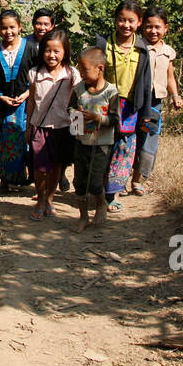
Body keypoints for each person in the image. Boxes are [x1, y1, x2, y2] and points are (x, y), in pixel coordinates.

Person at [95, 0, 151, 211]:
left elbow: (146, 83)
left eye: (131, 21)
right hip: (104, 106)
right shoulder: (104, 45)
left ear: (139, 22)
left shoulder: (142, 49)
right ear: (115, 20)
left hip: (130, 108)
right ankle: (98, 190)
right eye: (121, 20)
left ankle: (113, 193)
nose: (125, 25)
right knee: (103, 147)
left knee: (124, 148)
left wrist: (145, 113)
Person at [24, 29, 77, 221]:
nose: (52, 55)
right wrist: (29, 126)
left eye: (57, 51)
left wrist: (78, 131)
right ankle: (40, 198)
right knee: (39, 168)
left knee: (56, 167)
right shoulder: (35, 73)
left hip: (62, 128)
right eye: (48, 50)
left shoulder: (72, 74)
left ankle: (50, 200)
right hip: (40, 126)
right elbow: (31, 101)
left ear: (65, 52)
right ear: (42, 51)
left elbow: (78, 102)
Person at [0, 8, 38, 189]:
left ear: (20, 27)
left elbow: (39, 75)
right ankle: (7, 180)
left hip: (29, 105)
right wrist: (1, 97)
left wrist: (27, 94)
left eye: (12, 27)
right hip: (6, 106)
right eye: (4, 28)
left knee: (30, 142)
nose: (8, 32)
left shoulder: (31, 49)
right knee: (8, 144)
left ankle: (30, 178)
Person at [70, 47, 118, 233]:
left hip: (102, 144)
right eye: (80, 70)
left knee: (96, 182)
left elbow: (115, 119)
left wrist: (98, 118)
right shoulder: (78, 89)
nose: (81, 74)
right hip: (81, 143)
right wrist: (76, 117)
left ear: (100, 68)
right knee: (79, 182)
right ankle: (83, 217)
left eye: (85, 70)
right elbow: (70, 110)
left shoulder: (111, 93)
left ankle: (101, 203)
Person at [137, 7, 183, 192]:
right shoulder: (138, 47)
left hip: (156, 101)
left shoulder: (168, 51)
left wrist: (176, 96)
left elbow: (170, 76)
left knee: (150, 137)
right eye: (149, 27)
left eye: (157, 27)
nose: (153, 31)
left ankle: (141, 179)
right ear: (142, 27)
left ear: (166, 28)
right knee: (132, 137)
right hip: (138, 99)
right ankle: (123, 179)